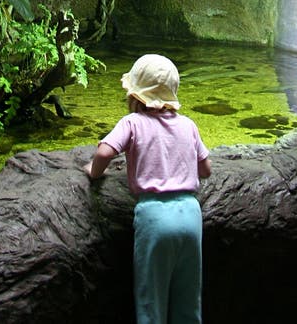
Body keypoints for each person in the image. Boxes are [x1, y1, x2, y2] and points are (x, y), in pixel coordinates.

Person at [83, 53, 211, 324]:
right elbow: (206, 169)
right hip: (191, 214)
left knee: (150, 297)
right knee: (189, 298)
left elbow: (105, 152)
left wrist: (92, 172)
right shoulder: (189, 125)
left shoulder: (132, 123)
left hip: (154, 216)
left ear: (136, 96)